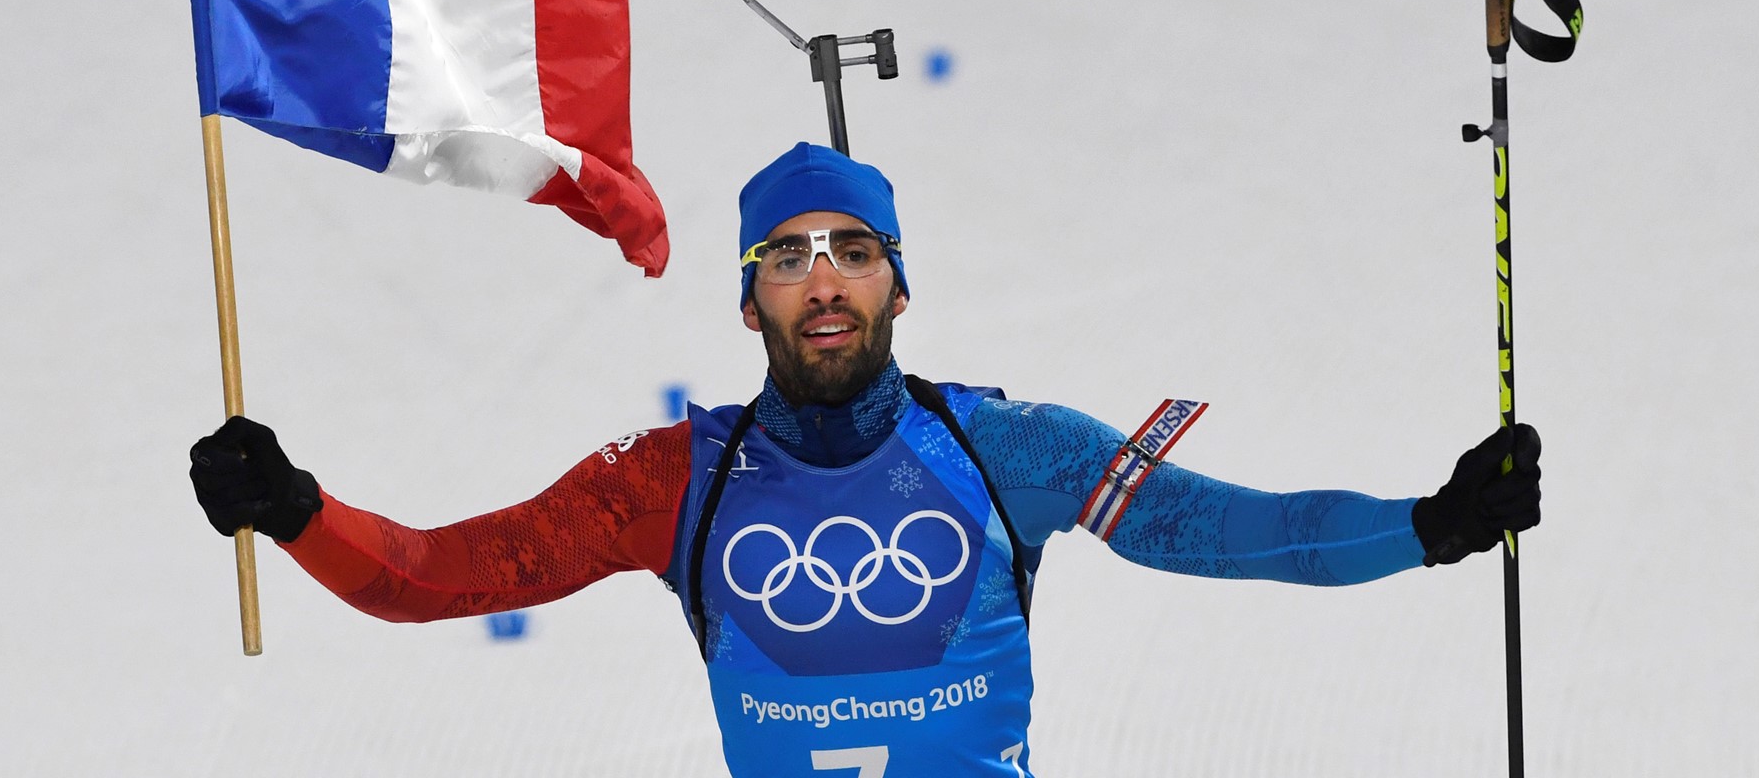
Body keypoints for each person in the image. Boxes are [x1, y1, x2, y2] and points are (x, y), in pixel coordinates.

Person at [190, 142, 1542, 777]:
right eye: (786, 256)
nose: (822, 279)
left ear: (903, 287)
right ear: (745, 303)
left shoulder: (1004, 450)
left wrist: (1430, 523)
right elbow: (434, 576)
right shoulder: (674, 482)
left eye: (854, 251)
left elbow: (1244, 534)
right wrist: (299, 512)